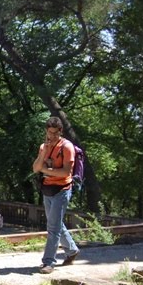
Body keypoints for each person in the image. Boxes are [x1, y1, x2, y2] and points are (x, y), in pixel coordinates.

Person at [32, 116, 80, 274]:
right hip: (47, 189)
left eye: (54, 133)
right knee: (56, 224)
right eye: (48, 132)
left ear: (60, 131)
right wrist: (44, 152)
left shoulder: (67, 147)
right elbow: (35, 168)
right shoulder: (43, 146)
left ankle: (49, 262)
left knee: (52, 227)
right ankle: (72, 250)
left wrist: (45, 170)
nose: (51, 136)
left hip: (62, 190)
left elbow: (66, 172)